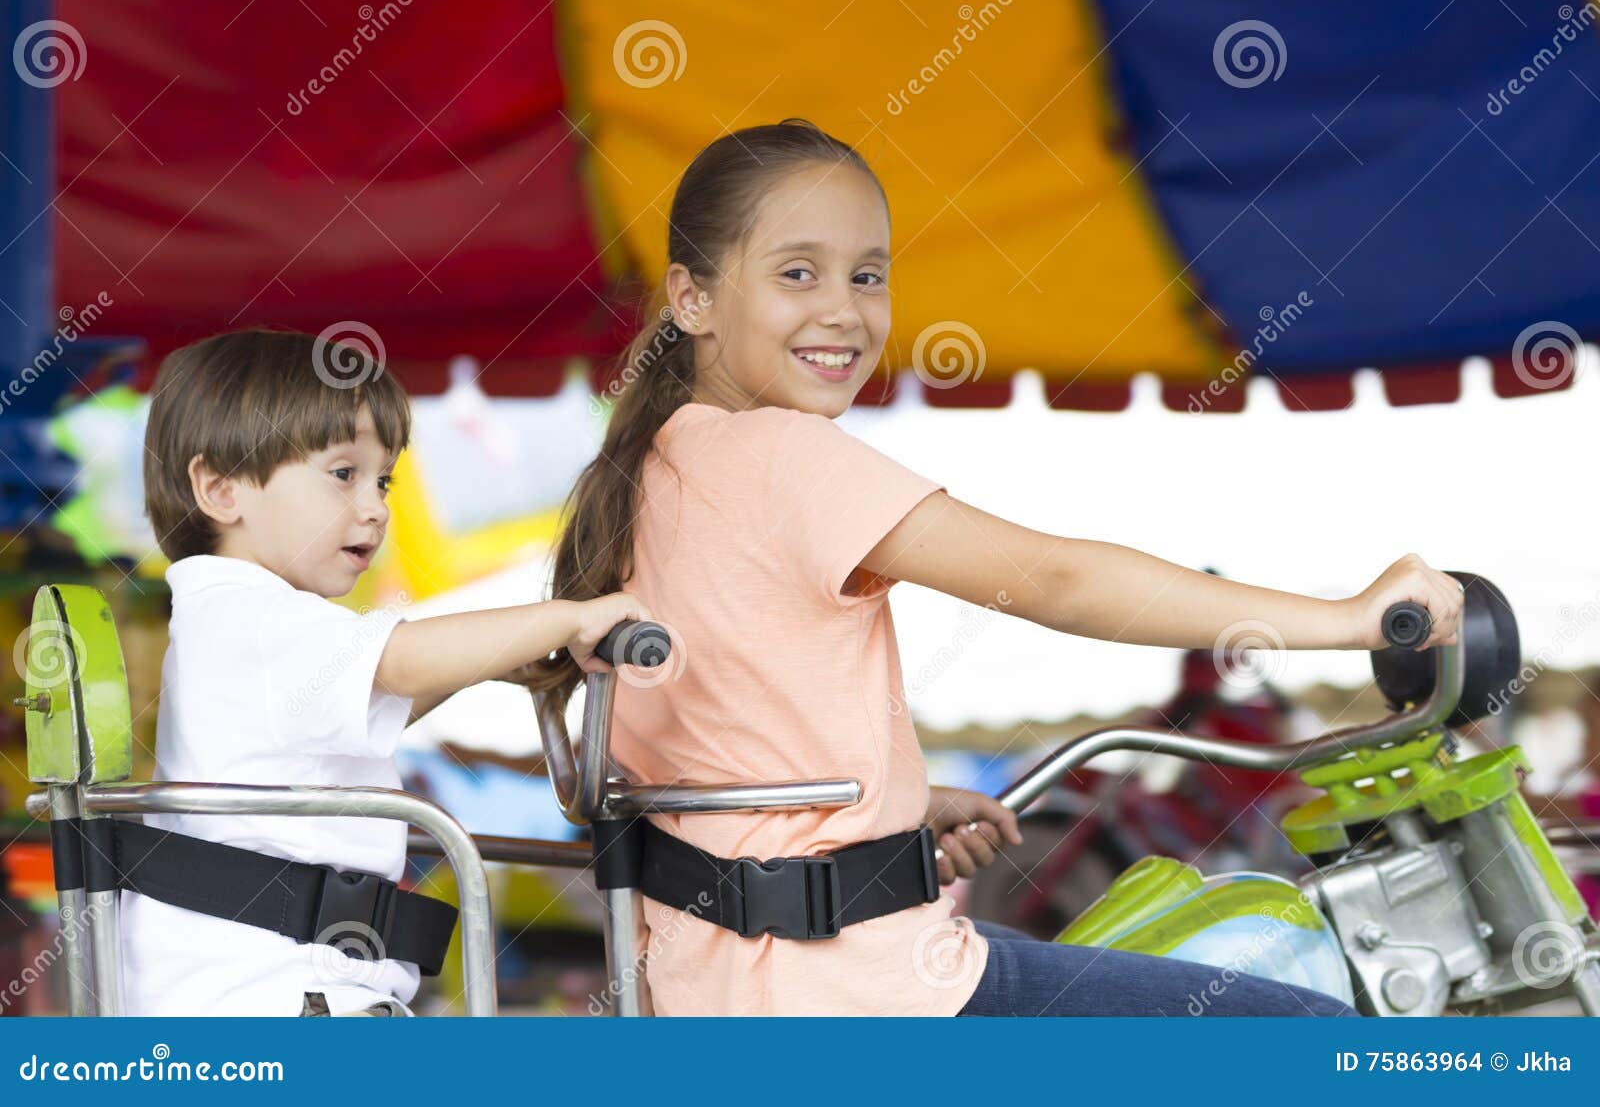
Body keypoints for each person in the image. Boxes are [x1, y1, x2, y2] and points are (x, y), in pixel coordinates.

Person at [525, 119, 1464, 1016]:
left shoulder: (650, 471)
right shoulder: (782, 453)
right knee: (1313, 1036)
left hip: (719, 991)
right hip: (864, 992)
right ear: (691, 299)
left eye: (867, 275)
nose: (843, 311)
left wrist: (898, 810)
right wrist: (1349, 618)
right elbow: (1054, 579)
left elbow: (718, 749)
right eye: (796, 273)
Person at [122, 329, 648, 1016]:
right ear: (221, 489)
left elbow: (370, 700)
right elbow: (399, 658)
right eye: (342, 474)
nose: (374, 507)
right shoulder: (255, 619)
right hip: (281, 1003)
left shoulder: (233, 622)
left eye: (383, 479)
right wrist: (566, 617)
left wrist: (496, 659)